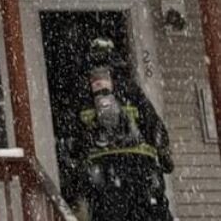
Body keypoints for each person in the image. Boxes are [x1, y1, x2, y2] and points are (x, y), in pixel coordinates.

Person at [68, 37, 174, 221]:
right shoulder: (130, 88)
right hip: (141, 168)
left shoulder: (82, 95)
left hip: (102, 174)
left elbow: (75, 143)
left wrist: (79, 166)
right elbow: (154, 125)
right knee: (153, 214)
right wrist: (164, 156)